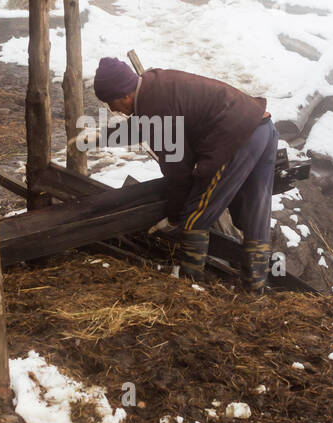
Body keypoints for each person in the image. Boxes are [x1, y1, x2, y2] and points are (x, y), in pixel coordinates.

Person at [92, 56, 278, 293]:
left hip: (237, 137)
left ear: (124, 95)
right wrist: (102, 136)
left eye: (111, 103)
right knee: (256, 217)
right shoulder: (155, 85)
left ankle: (190, 291)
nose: (113, 110)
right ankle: (255, 294)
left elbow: (178, 171)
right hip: (263, 127)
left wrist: (173, 217)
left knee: (195, 218)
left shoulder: (154, 106)